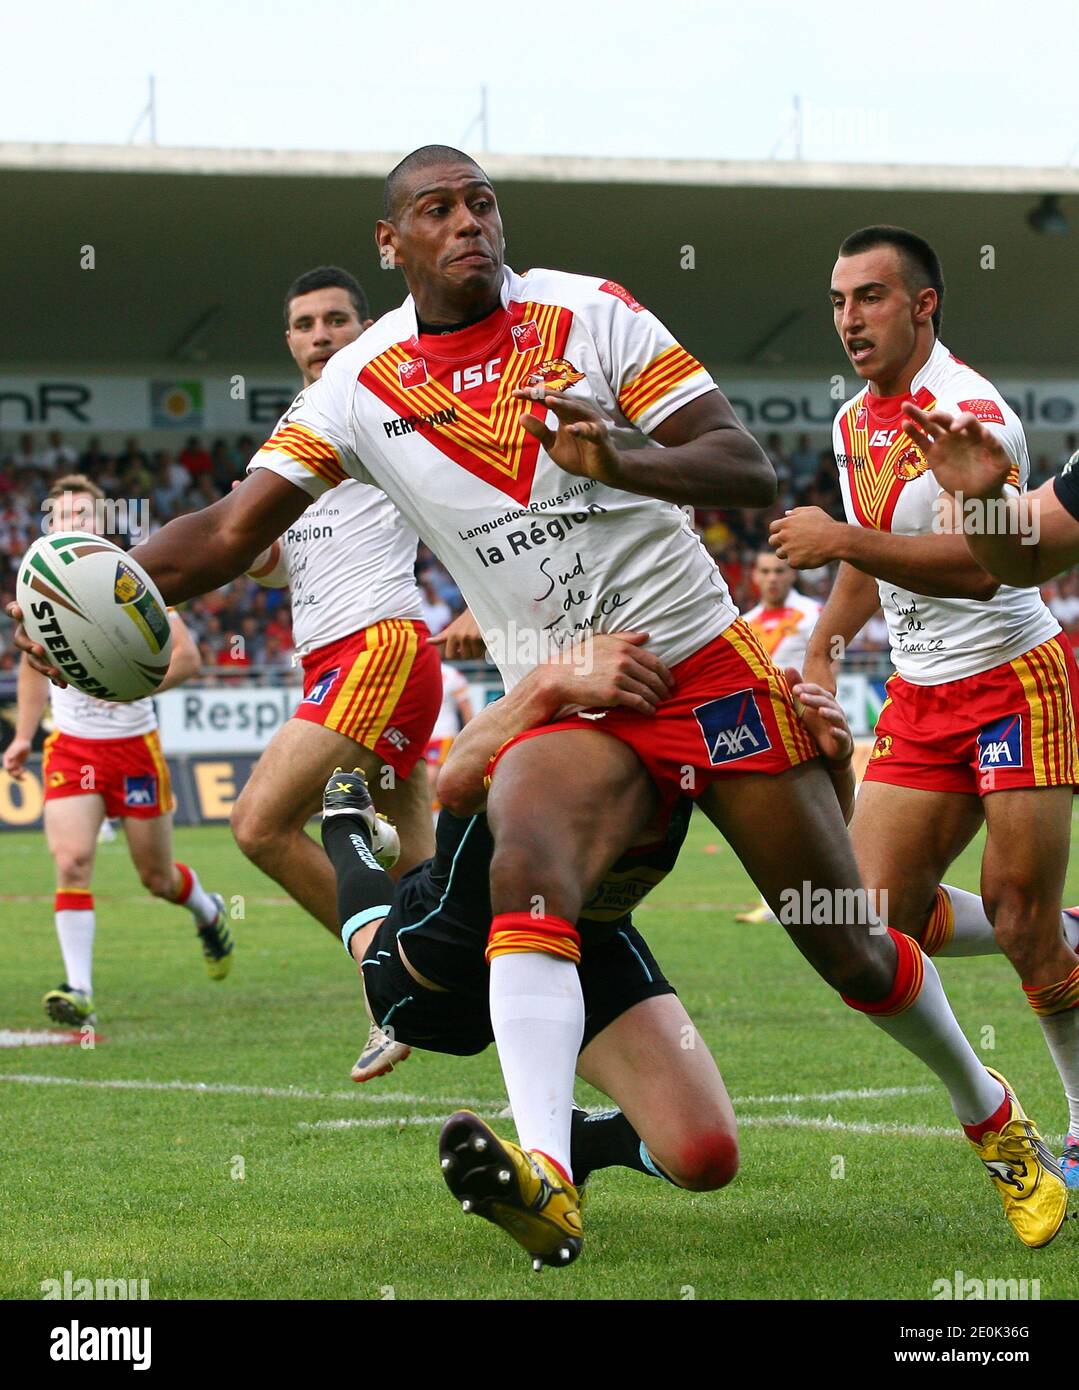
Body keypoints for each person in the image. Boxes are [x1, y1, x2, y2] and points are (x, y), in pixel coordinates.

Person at [8, 154, 1064, 1265]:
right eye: (438, 210)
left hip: (700, 665)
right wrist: (105, 585)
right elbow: (228, 531)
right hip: (574, 694)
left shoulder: (589, 312)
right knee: (529, 863)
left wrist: (619, 455)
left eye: (480, 204)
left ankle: (989, 1115)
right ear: (391, 242)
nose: (468, 223)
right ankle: (548, 1175)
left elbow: (742, 467)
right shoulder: (355, 388)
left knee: (848, 944)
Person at [326, 632, 855, 1268]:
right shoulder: (554, 702)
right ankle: (345, 828)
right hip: (446, 960)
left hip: (591, 946)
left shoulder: (704, 728)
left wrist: (833, 765)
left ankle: (573, 1140)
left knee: (706, 1158)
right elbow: (460, 781)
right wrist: (551, 682)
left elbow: (815, 859)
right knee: (376, 963)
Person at [771, 224, 1079, 1186]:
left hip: (1013, 678)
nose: (848, 319)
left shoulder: (970, 412)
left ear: (922, 304)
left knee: (1018, 916)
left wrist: (838, 540)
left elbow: (981, 572)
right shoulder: (853, 418)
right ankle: (1064, 935)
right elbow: (869, 549)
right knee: (871, 914)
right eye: (836, 301)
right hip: (920, 692)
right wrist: (824, 639)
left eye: (867, 297)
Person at [230, 266, 481, 942]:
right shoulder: (294, 429)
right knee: (421, 875)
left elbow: (475, 501)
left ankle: (387, 970)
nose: (321, 335)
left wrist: (483, 604)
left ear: (365, 329)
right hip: (337, 657)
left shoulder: (392, 405)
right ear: (289, 340)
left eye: (336, 320)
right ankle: (486, 984)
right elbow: (289, 564)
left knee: (259, 825)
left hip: (378, 648)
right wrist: (255, 553)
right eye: (306, 325)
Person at [2, 476, 232, 1025]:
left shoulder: (126, 581)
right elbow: (32, 668)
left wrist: (128, 683)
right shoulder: (40, 588)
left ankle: (208, 911)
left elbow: (190, 658)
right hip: (72, 748)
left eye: (82, 513)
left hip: (134, 748)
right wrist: (22, 736)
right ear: (47, 526)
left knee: (157, 879)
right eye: (59, 515)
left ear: (102, 524)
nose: (70, 522)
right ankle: (77, 989)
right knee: (72, 860)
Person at [735, 549, 822, 923]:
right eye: (766, 571)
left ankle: (842, 894)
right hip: (767, 729)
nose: (773, 578)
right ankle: (776, 902)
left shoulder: (814, 614)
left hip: (810, 723)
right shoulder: (743, 622)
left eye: (780, 571)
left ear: (793, 575)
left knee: (826, 811)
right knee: (770, 817)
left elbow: (829, 662)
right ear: (755, 576)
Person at [424, 661, 474, 816]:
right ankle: (432, 815)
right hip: (421, 736)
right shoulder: (414, 669)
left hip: (443, 733)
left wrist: (468, 734)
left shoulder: (451, 674)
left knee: (431, 777)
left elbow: (465, 707)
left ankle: (432, 817)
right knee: (429, 779)